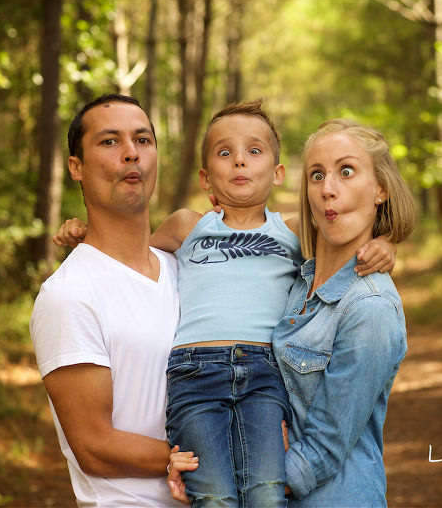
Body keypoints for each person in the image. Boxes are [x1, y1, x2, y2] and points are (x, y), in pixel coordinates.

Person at [54, 101, 398, 507]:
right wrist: (83, 233)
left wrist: (386, 243)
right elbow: (126, 253)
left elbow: (341, 232)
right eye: (224, 153)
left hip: (263, 370)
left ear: (278, 173)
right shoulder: (187, 224)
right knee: (213, 496)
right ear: (205, 177)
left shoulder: (291, 231)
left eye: (254, 151)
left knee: (267, 494)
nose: (239, 161)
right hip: (195, 369)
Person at [168, 118, 415, 507]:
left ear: (380, 188)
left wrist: (228, 484)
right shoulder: (298, 279)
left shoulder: (371, 308)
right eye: (317, 175)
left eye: (346, 172)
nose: (329, 189)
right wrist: (203, 466)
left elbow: (324, 448)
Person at [30, 93, 188, 507]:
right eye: (109, 142)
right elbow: (95, 447)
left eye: (143, 140)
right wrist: (221, 455)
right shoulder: (69, 294)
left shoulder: (184, 268)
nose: (131, 153)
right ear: (76, 168)